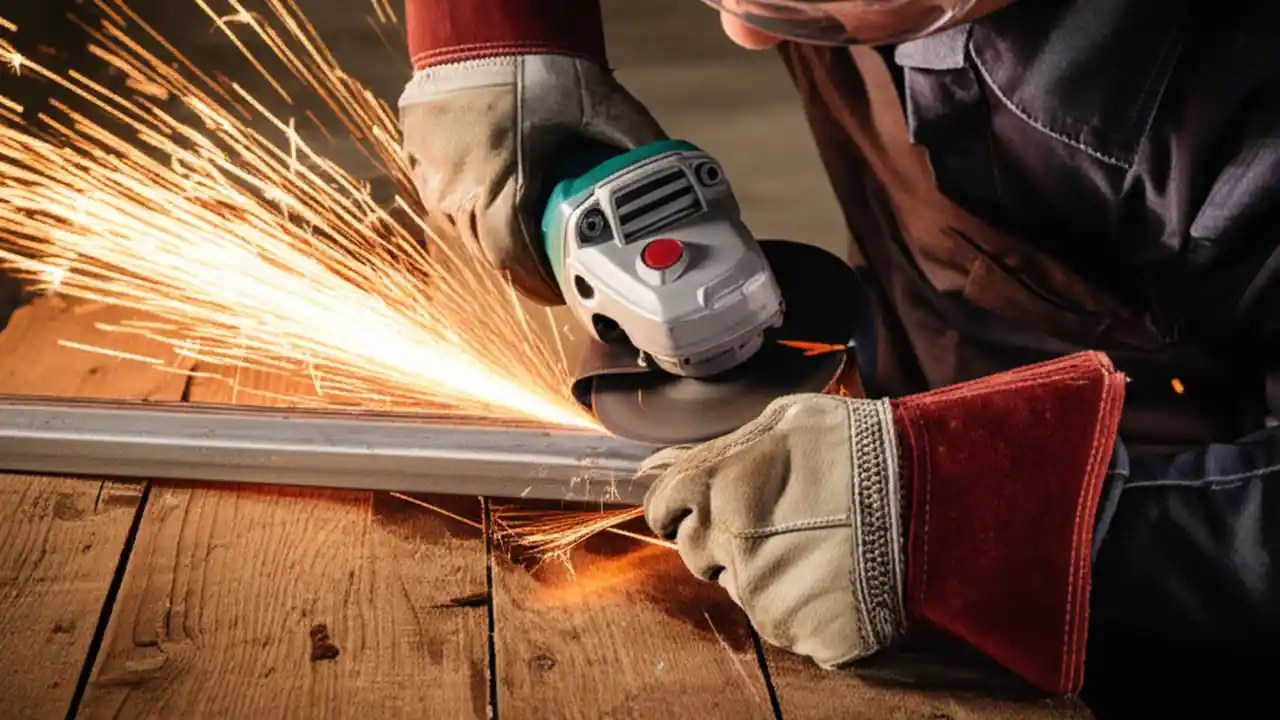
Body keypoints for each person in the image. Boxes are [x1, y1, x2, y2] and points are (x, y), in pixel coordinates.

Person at [398, 0, 1280, 713]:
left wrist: (999, 520)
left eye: (793, 8)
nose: (742, 32)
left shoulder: (1231, 118)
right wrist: (491, 37)